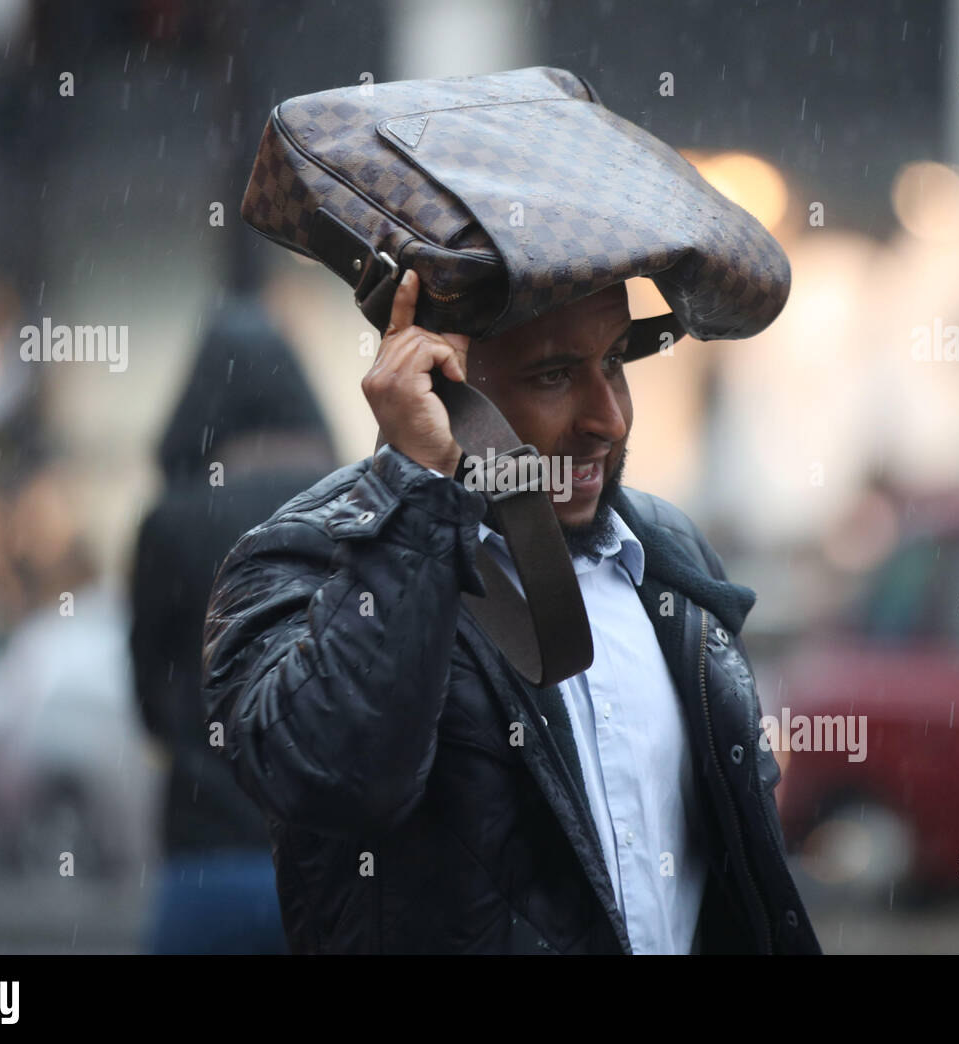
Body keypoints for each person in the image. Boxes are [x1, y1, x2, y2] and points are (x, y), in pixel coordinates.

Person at [202, 271, 821, 954]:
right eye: (554, 376)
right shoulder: (309, 556)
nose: (607, 420)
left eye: (614, 362)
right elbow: (339, 782)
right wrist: (418, 492)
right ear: (445, 384)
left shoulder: (668, 549)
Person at [130, 301, 338, 954]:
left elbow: (150, 699)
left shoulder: (173, 520)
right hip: (334, 862)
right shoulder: (349, 507)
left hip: (207, 858)